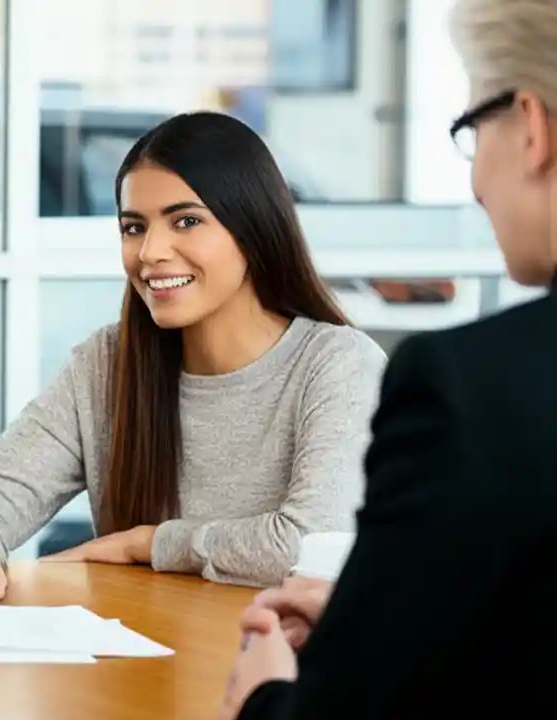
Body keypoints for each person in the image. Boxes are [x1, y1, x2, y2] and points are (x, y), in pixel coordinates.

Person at [220, 0, 557, 717]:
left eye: (471, 129)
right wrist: (385, 606)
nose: (474, 184)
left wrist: (262, 698)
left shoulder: (470, 389)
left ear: (532, 127)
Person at [0, 112, 387, 608]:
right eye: (133, 227)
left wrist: (150, 544)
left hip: (276, 671)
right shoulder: (107, 364)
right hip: (140, 665)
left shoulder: (339, 364)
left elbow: (310, 545)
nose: (150, 252)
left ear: (253, 226)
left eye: (186, 221)